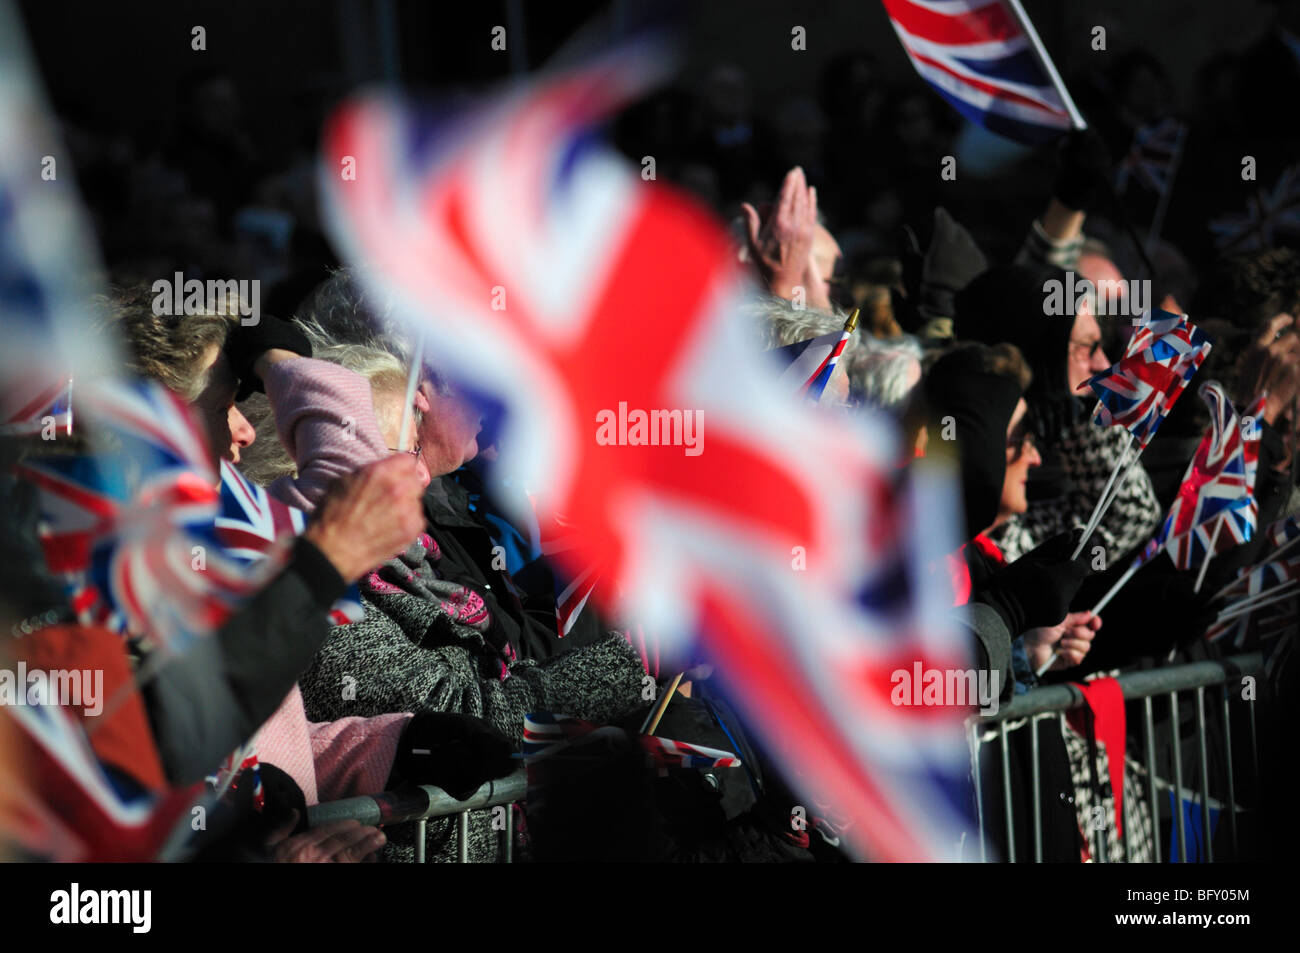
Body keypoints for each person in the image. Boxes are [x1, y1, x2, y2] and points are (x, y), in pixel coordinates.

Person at [243, 328, 647, 862]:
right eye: (400, 450)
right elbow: (473, 708)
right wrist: (636, 662)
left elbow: (315, 749)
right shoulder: (328, 600)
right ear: (317, 471)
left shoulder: (418, 568)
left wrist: (403, 740)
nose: (420, 471)